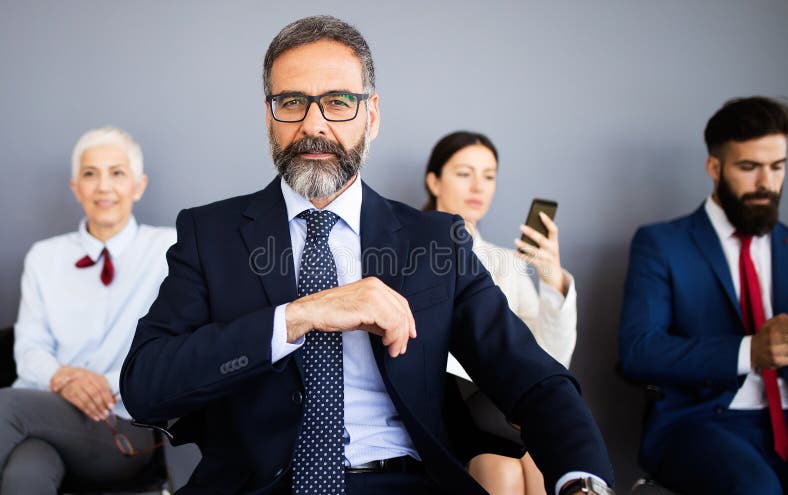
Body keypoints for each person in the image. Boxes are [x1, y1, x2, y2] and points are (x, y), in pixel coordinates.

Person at [120, 16, 614, 495]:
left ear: (371, 116)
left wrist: (583, 481)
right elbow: (145, 387)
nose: (313, 124)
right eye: (291, 102)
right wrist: (299, 315)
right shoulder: (210, 234)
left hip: (403, 480)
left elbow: (530, 376)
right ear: (269, 117)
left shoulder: (435, 241)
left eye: (338, 102)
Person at [618, 96, 788, 494]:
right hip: (699, 423)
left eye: (777, 167)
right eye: (749, 167)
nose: (766, 183)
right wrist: (750, 351)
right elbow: (638, 352)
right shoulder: (662, 243)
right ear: (714, 168)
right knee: (756, 490)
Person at [0, 126, 176, 493]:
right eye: (90, 174)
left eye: (117, 173)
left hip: (122, 424)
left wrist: (103, 386)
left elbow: (176, 351)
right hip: (44, 410)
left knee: (4, 407)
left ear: (138, 186)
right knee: (25, 473)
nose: (103, 187)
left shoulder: (169, 250)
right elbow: (29, 347)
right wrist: (63, 379)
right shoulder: (44, 257)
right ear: (76, 187)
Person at [423, 131, 577, 495]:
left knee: (537, 463)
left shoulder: (507, 263)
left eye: (489, 176)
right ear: (434, 181)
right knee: (503, 469)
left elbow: (549, 358)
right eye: (464, 173)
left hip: (501, 406)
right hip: (440, 403)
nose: (478, 186)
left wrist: (552, 280)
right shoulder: (405, 251)